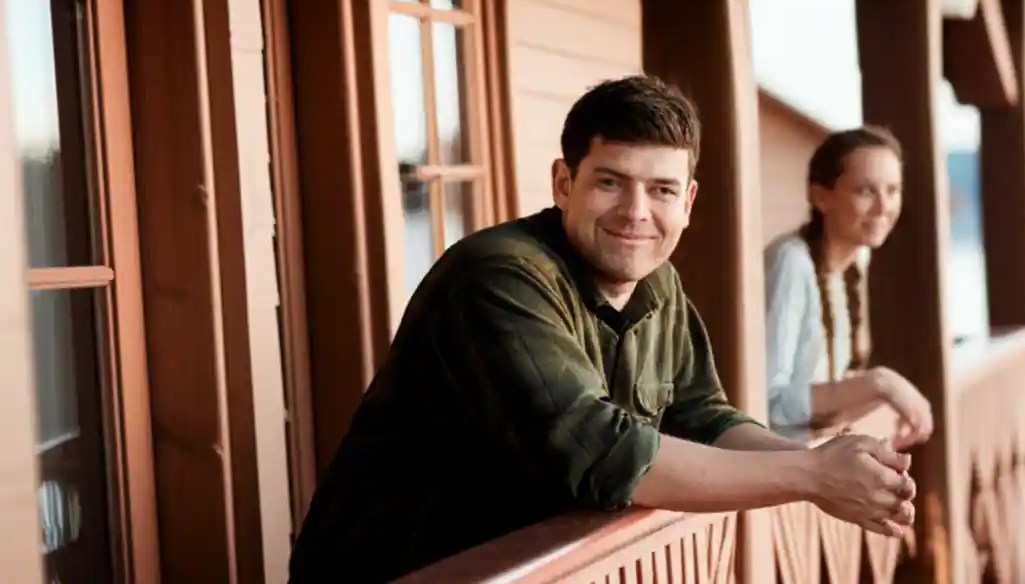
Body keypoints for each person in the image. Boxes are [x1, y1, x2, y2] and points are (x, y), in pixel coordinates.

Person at [289, 76, 917, 582]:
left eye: (661, 190)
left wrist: (819, 464)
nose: (635, 212)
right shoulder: (498, 277)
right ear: (564, 183)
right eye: (610, 183)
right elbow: (604, 453)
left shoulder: (658, 282)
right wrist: (809, 477)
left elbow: (703, 417)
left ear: (688, 201)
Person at [764, 128, 934, 448]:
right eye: (866, 191)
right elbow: (770, 403)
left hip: (818, 456)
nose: (883, 207)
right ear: (821, 197)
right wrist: (879, 383)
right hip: (782, 463)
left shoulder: (852, 264)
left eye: (893, 190)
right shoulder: (792, 263)